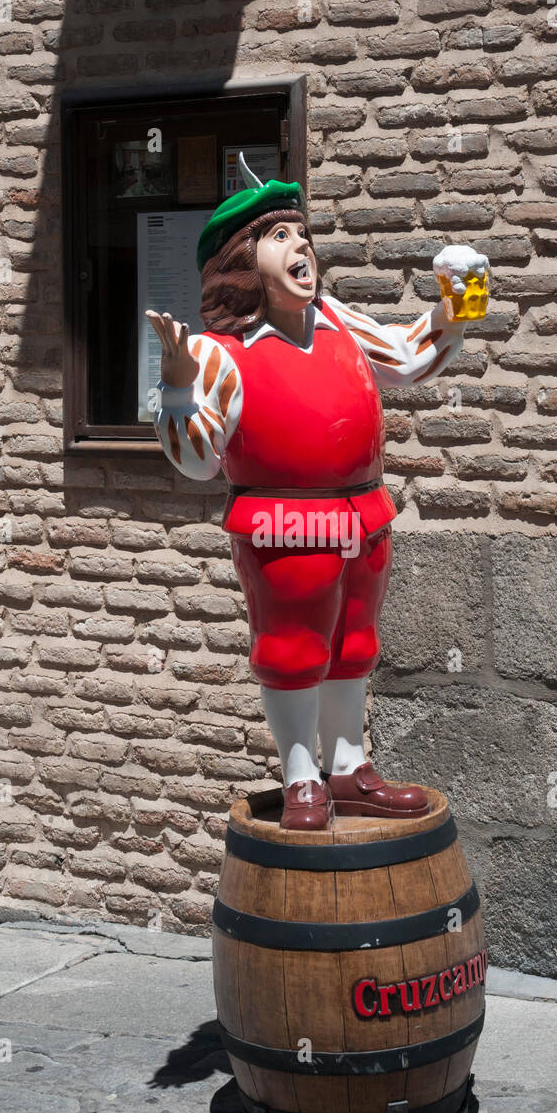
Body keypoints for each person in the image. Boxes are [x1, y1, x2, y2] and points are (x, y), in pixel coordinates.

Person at [149, 154, 489, 830]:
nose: (300, 247)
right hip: (281, 520)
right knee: (292, 647)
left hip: (363, 511)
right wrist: (180, 383)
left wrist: (458, 303)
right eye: (279, 238)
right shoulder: (221, 351)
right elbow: (194, 461)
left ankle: (348, 766)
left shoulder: (336, 317)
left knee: (354, 642)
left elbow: (405, 354)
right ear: (240, 262)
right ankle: (301, 776)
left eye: (301, 236)